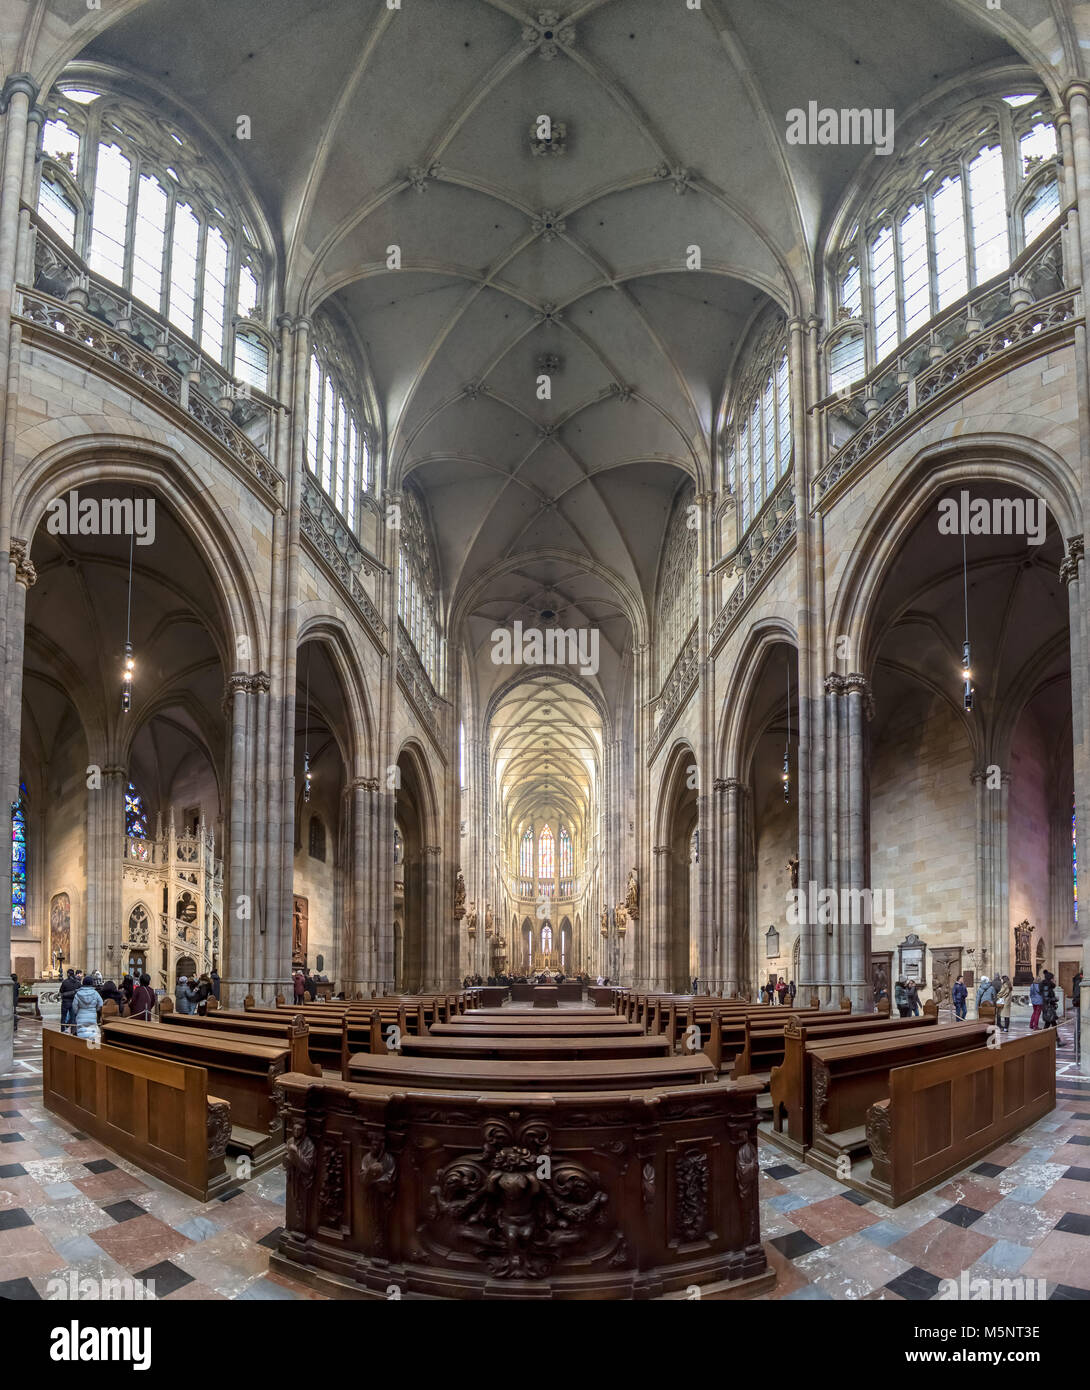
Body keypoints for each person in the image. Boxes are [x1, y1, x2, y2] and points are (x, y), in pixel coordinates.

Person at [59, 968, 78, 1033]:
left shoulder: (65, 982)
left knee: (63, 1016)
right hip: (74, 1001)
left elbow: (61, 991)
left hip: (66, 1001)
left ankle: (62, 1030)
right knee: (73, 1017)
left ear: (68, 974)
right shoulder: (77, 982)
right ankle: (73, 1031)